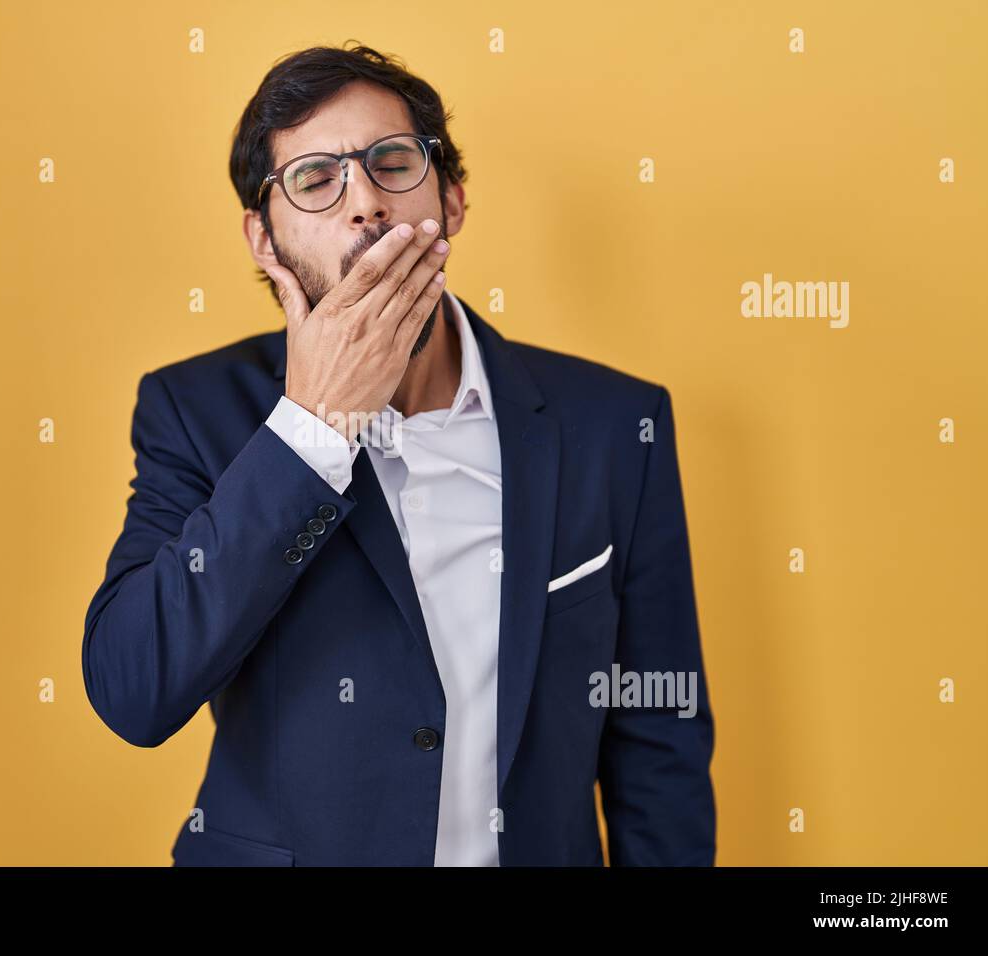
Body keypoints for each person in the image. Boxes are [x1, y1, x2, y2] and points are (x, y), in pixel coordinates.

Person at [82, 43, 715, 866]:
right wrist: (313, 425)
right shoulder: (196, 412)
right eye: (316, 179)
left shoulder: (615, 423)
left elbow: (658, 734)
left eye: (391, 162)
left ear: (451, 200)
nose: (366, 205)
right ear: (262, 237)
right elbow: (136, 689)